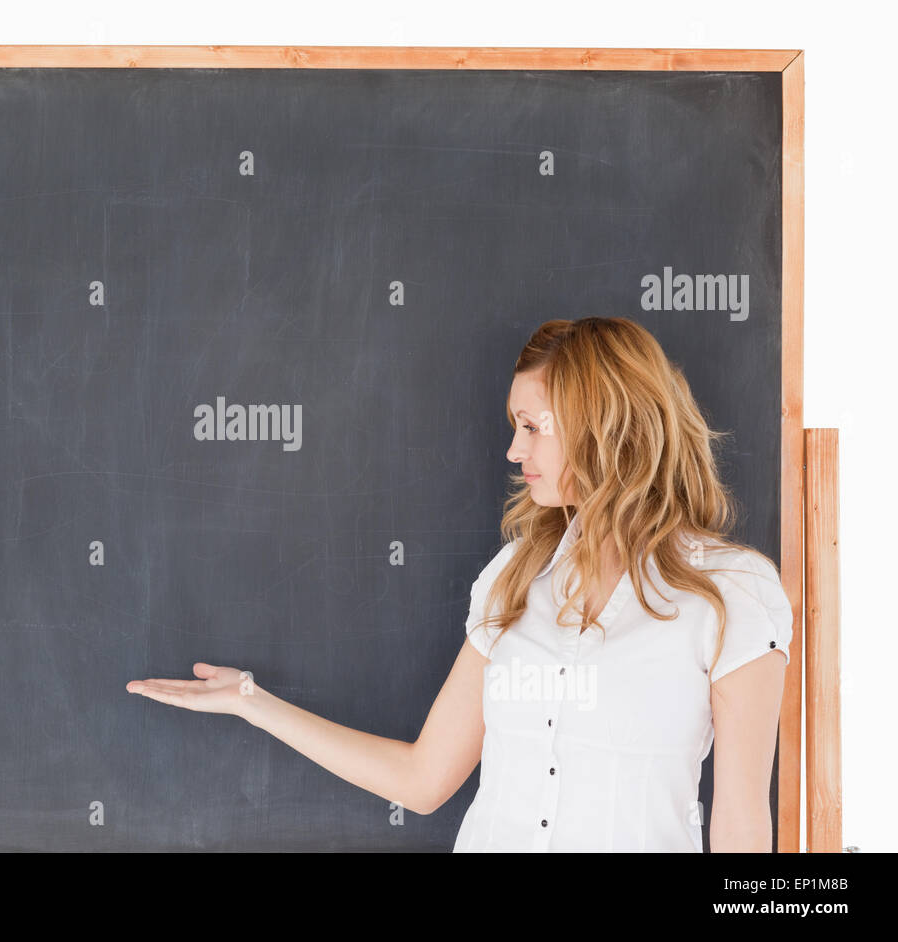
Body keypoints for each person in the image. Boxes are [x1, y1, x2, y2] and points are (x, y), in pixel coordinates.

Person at [126, 316, 793, 852]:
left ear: (603, 425)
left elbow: (740, 831)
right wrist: (250, 701)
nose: (514, 451)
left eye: (533, 427)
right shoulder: (512, 579)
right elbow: (423, 779)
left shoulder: (731, 594)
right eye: (515, 427)